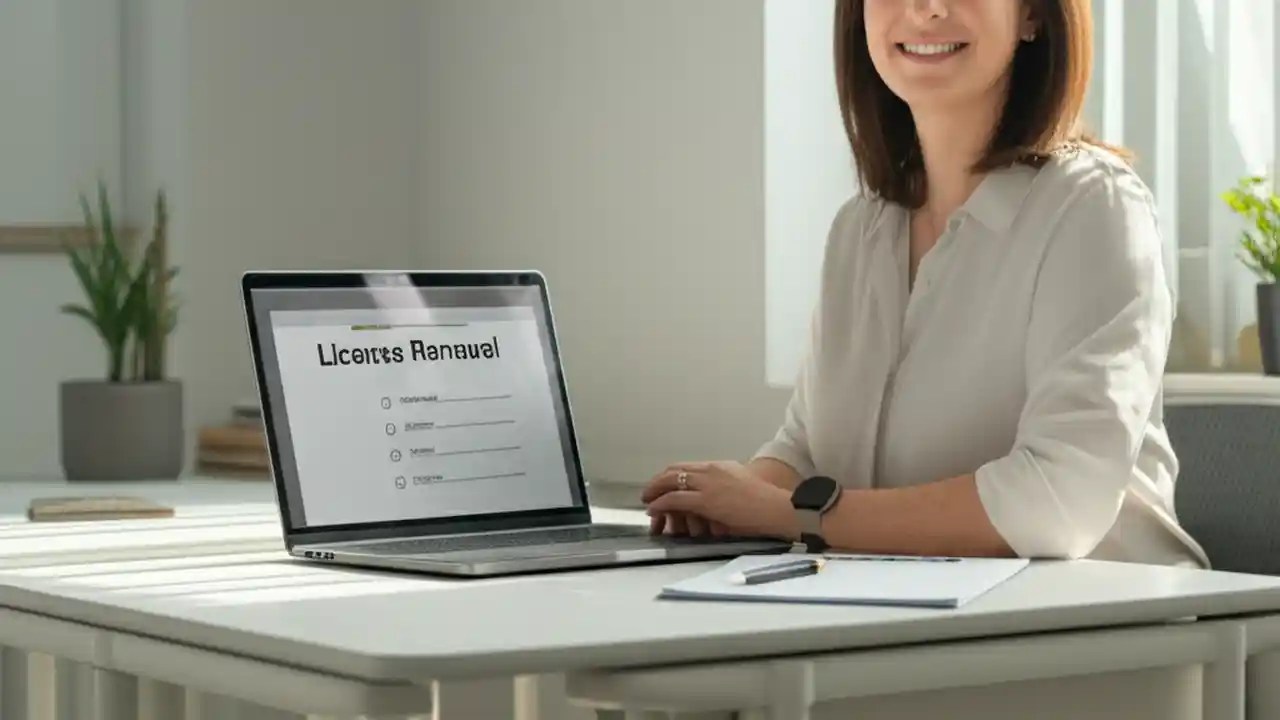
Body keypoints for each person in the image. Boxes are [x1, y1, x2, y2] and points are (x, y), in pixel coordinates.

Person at [641, 0, 1209, 568]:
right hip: (903, 619)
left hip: (1101, 631)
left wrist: (784, 514)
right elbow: (806, 450)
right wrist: (716, 499)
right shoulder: (859, 229)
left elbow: (1054, 501)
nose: (926, 8)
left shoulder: (1094, 206)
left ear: (1033, 14)